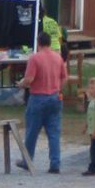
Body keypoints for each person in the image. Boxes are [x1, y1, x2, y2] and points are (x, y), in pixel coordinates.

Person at [16, 30, 68, 173]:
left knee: (32, 131)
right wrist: (58, 88)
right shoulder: (58, 57)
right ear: (50, 43)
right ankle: (55, 163)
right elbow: (65, 77)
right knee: (54, 132)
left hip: (38, 97)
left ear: (38, 43)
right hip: (55, 96)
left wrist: (21, 84)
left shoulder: (35, 58)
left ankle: (27, 160)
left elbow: (29, 79)